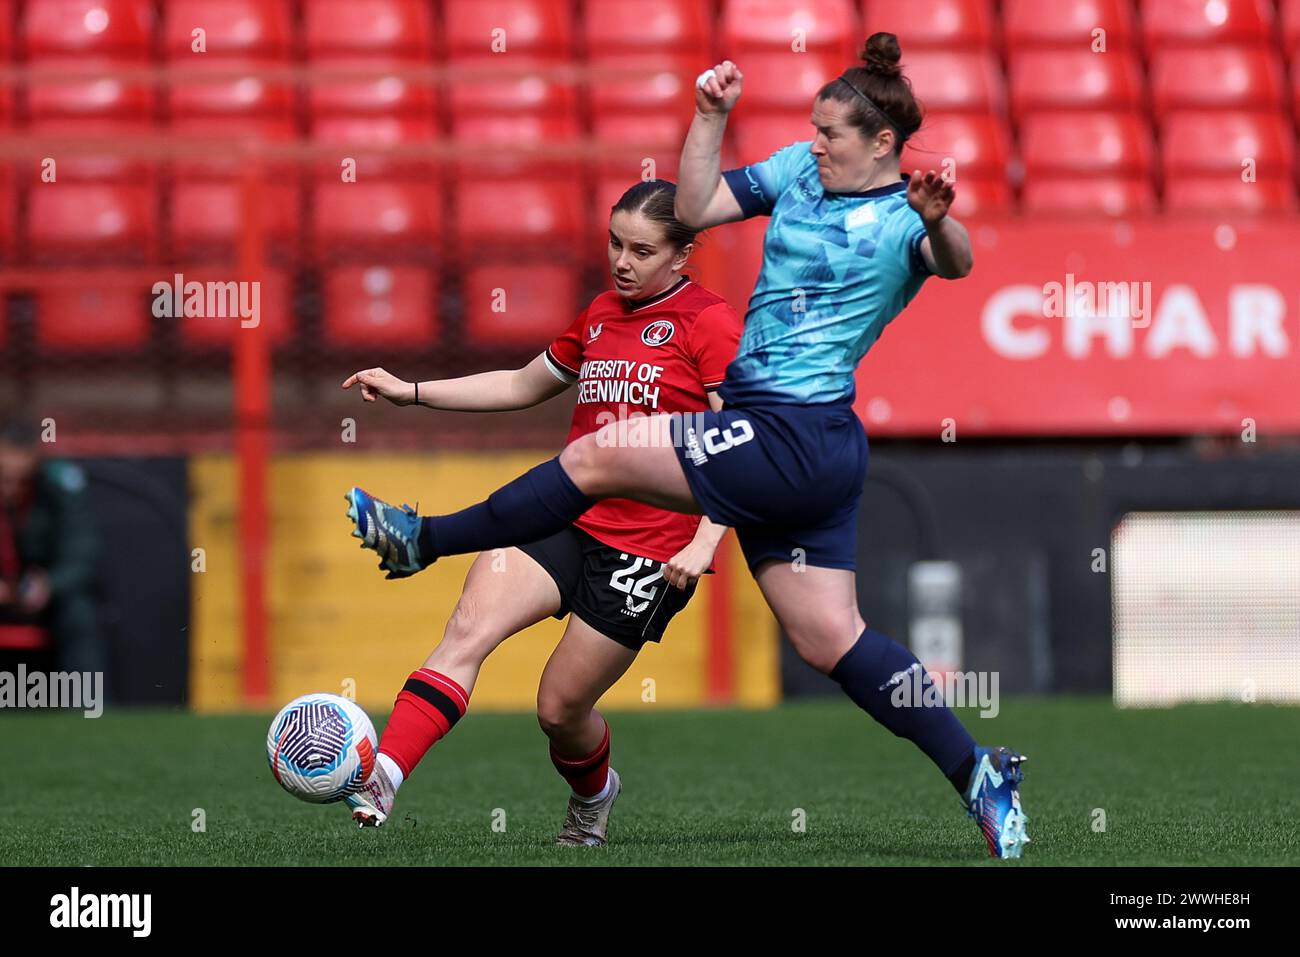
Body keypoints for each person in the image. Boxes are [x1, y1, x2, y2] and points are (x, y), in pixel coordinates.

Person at [344, 33, 1031, 858]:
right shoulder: (795, 175)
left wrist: (939, 221)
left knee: (596, 458)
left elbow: (954, 264)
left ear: (882, 142)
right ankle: (976, 771)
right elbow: (699, 206)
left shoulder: (901, 219)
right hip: (805, 444)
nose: (815, 142)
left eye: (831, 132)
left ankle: (427, 538)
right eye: (812, 126)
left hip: (790, 432)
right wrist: (709, 117)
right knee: (829, 639)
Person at [340, 180, 742, 844]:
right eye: (615, 242)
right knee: (468, 627)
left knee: (559, 709)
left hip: (648, 551)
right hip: (567, 518)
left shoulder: (711, 321)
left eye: (642, 249)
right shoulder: (601, 312)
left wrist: (706, 539)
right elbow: (522, 384)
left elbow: (741, 443)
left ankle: (595, 794)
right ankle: (384, 773)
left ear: (683, 251)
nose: (622, 260)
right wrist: (409, 391)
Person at [0, 415, 102, 679]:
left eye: (20, 480)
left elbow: (82, 553)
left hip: (45, 595)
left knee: (77, 611)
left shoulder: (57, 489)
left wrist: (49, 584)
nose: (10, 489)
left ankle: (86, 708)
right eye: (3, 478)